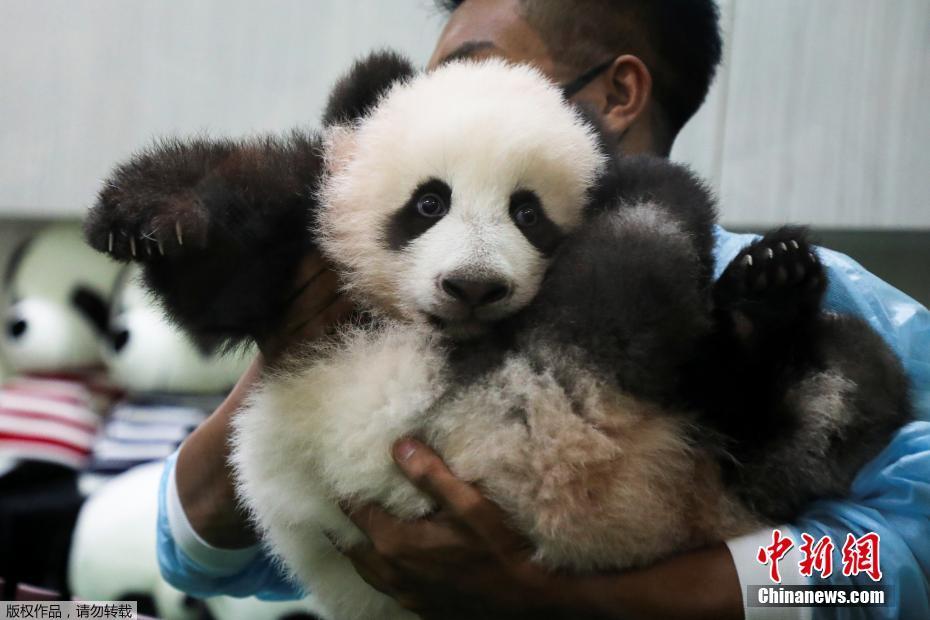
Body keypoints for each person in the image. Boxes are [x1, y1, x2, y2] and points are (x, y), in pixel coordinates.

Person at [157, 1, 930, 618]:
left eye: (470, 71)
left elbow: (888, 569)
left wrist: (580, 600)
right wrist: (295, 348)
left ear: (615, 94)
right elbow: (197, 551)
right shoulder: (389, 277)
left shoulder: (816, 293)